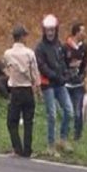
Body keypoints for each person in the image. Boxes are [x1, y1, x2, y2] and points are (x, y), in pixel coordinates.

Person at [35, 14, 74, 156]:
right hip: (48, 85)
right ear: (44, 30)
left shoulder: (59, 45)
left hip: (60, 84)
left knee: (69, 111)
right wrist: (56, 76)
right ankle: (50, 145)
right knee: (51, 115)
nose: (50, 33)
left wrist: (66, 74)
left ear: (56, 30)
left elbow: (62, 62)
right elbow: (42, 67)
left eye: (52, 30)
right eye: (47, 30)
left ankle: (62, 139)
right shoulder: (40, 47)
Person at [3, 25, 40, 158]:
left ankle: (17, 148)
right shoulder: (30, 53)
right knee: (28, 121)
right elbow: (35, 73)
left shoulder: (8, 54)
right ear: (22, 37)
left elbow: (6, 69)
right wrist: (37, 89)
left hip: (15, 90)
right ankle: (28, 150)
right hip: (27, 89)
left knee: (12, 121)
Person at [64, 22, 87, 141]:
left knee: (78, 111)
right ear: (76, 32)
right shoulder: (65, 47)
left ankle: (77, 136)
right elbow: (61, 64)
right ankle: (64, 133)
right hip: (66, 84)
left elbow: (85, 63)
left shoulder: (85, 47)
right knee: (67, 111)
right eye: (82, 31)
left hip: (79, 85)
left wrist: (83, 75)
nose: (84, 33)